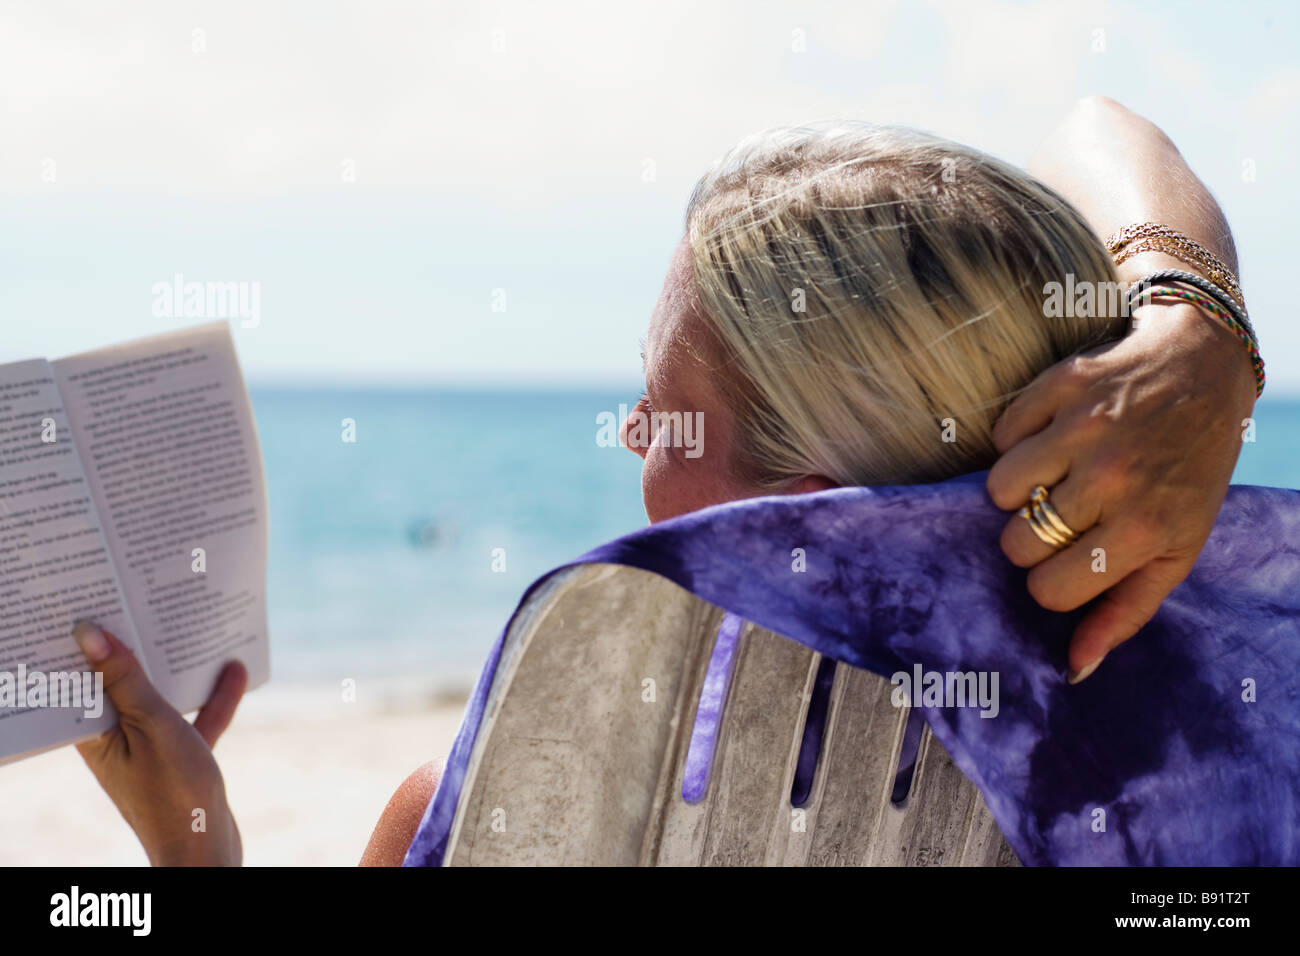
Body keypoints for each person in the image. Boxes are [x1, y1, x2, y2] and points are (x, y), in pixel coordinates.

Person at [67, 98, 1261, 866]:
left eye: (663, 409)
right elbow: (1105, 128)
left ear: (796, 517)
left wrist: (194, 843)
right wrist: (1194, 330)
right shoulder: (1185, 783)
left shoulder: (503, 811)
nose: (631, 425)